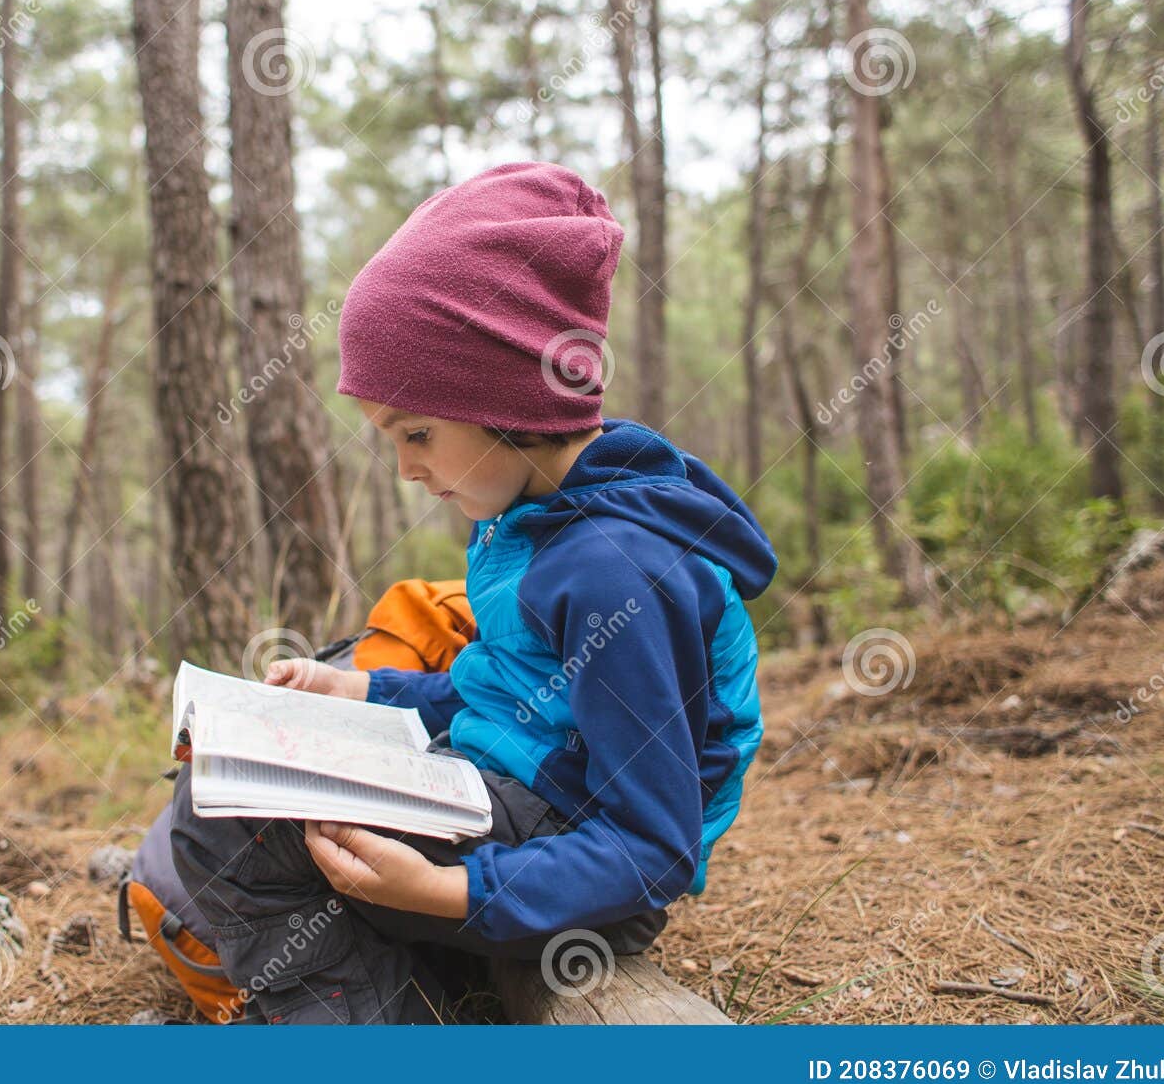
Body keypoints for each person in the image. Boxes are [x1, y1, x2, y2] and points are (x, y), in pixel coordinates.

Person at [170, 161, 777, 1024]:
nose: (408, 468)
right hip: (515, 803)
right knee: (237, 791)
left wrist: (450, 891)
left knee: (229, 832)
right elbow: (510, 689)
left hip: (584, 874)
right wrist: (365, 689)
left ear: (506, 395)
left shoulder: (618, 571)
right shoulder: (532, 517)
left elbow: (652, 846)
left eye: (416, 432)